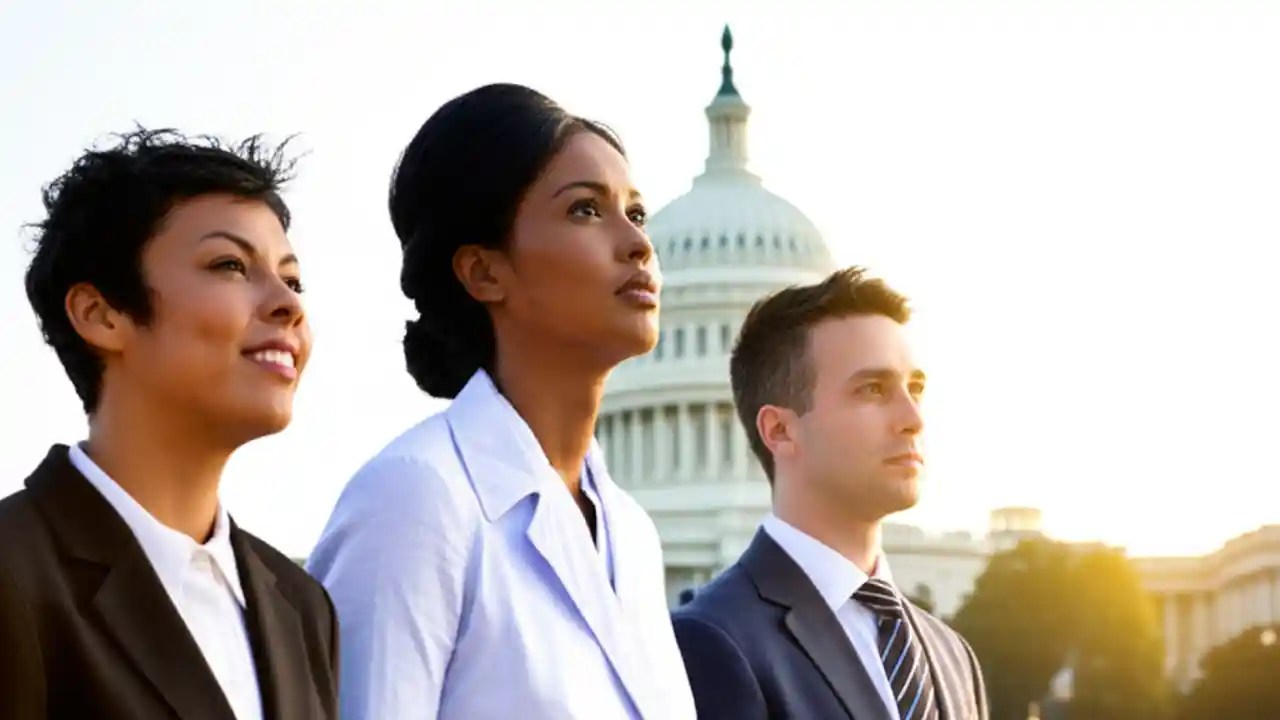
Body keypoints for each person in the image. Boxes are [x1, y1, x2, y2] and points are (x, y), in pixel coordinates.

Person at [306, 83, 696, 720]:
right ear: (484, 271)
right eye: (585, 211)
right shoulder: (414, 500)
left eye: (637, 213)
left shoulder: (631, 532)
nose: (638, 244)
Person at [0, 128, 340, 720]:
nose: (289, 303)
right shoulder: (16, 574)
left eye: (293, 277)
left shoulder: (302, 605)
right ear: (101, 315)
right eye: (230, 265)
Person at [672, 267, 989, 720]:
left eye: (915, 388)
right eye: (873, 389)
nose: (913, 416)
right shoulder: (710, 642)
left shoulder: (952, 656)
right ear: (780, 430)